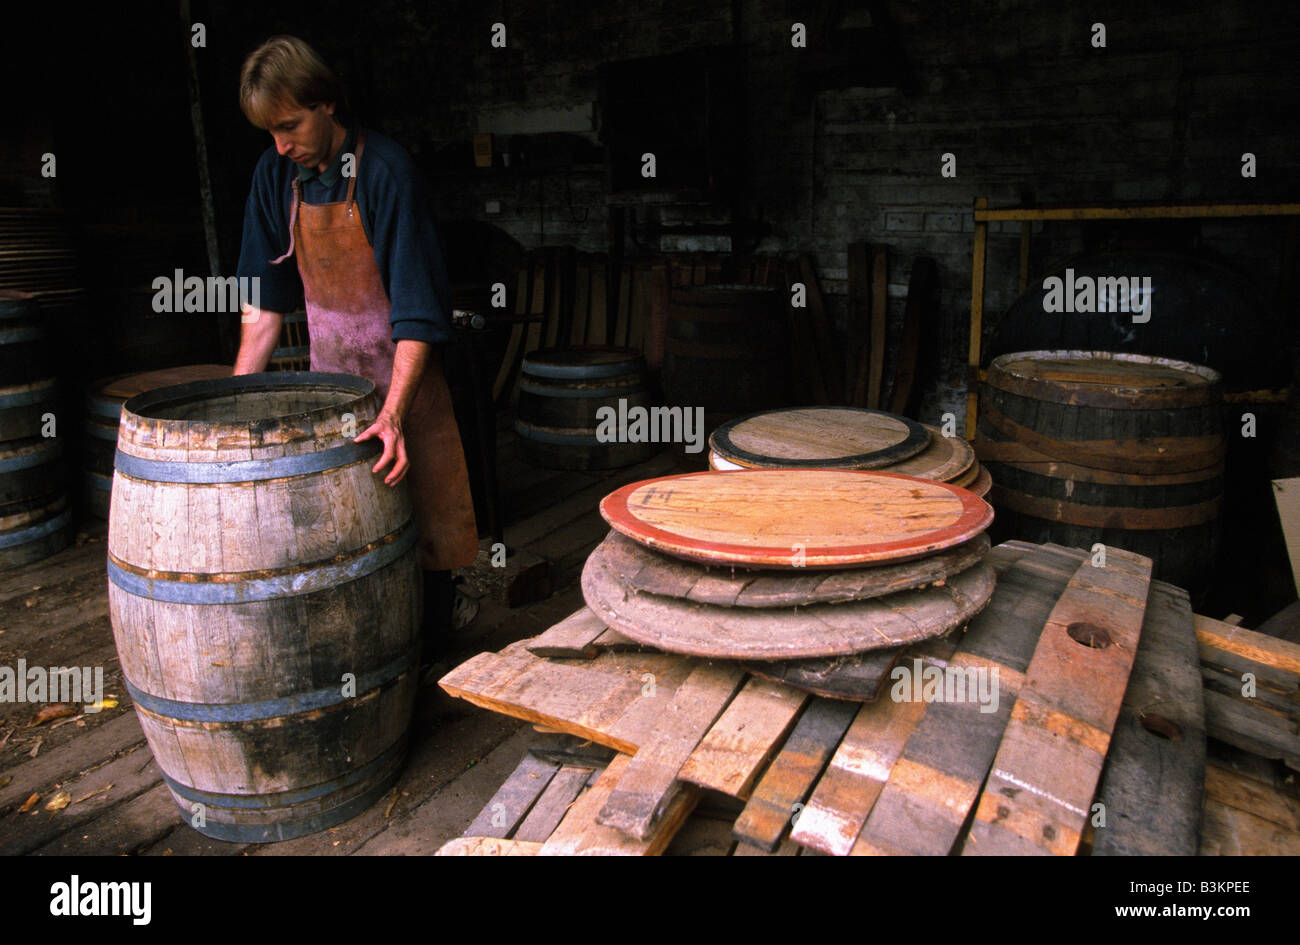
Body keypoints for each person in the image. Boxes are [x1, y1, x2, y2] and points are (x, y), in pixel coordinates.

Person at [232, 35, 478, 661]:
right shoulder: (275, 175)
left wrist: (392, 415)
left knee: (427, 541)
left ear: (329, 104)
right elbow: (263, 308)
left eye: (289, 126)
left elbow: (419, 315)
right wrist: (234, 415)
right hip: (331, 392)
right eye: (269, 132)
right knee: (348, 545)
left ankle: (435, 661)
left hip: (405, 388)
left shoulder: (385, 172)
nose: (281, 145)